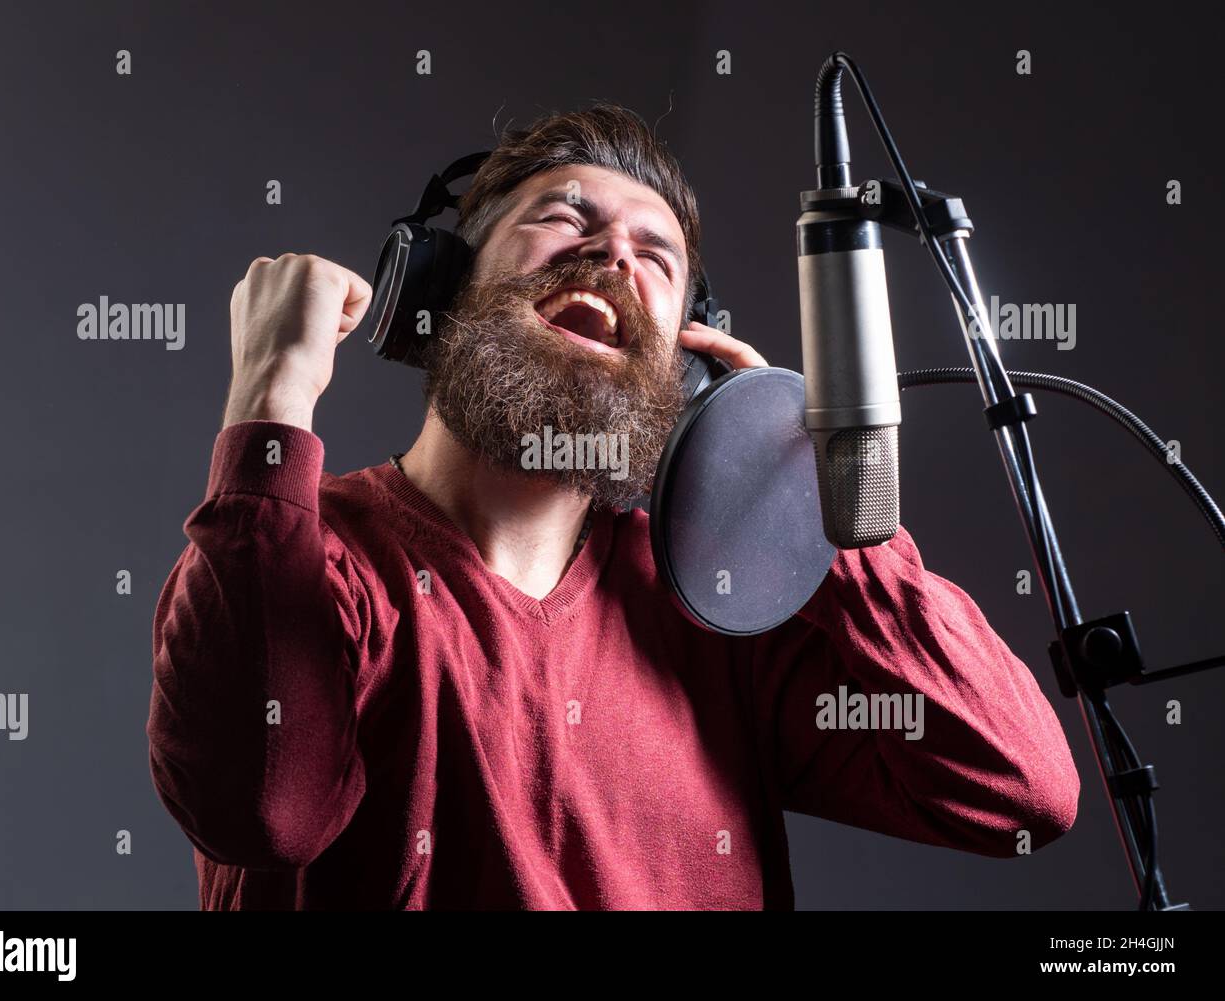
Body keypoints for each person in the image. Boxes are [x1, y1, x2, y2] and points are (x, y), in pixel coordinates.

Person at [147, 104, 1079, 910]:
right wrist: (271, 397)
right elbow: (260, 806)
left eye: (657, 258)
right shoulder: (299, 558)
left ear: (687, 363)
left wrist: (816, 511)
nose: (612, 257)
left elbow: (1021, 790)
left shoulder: (713, 607)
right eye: (564, 216)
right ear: (442, 280)